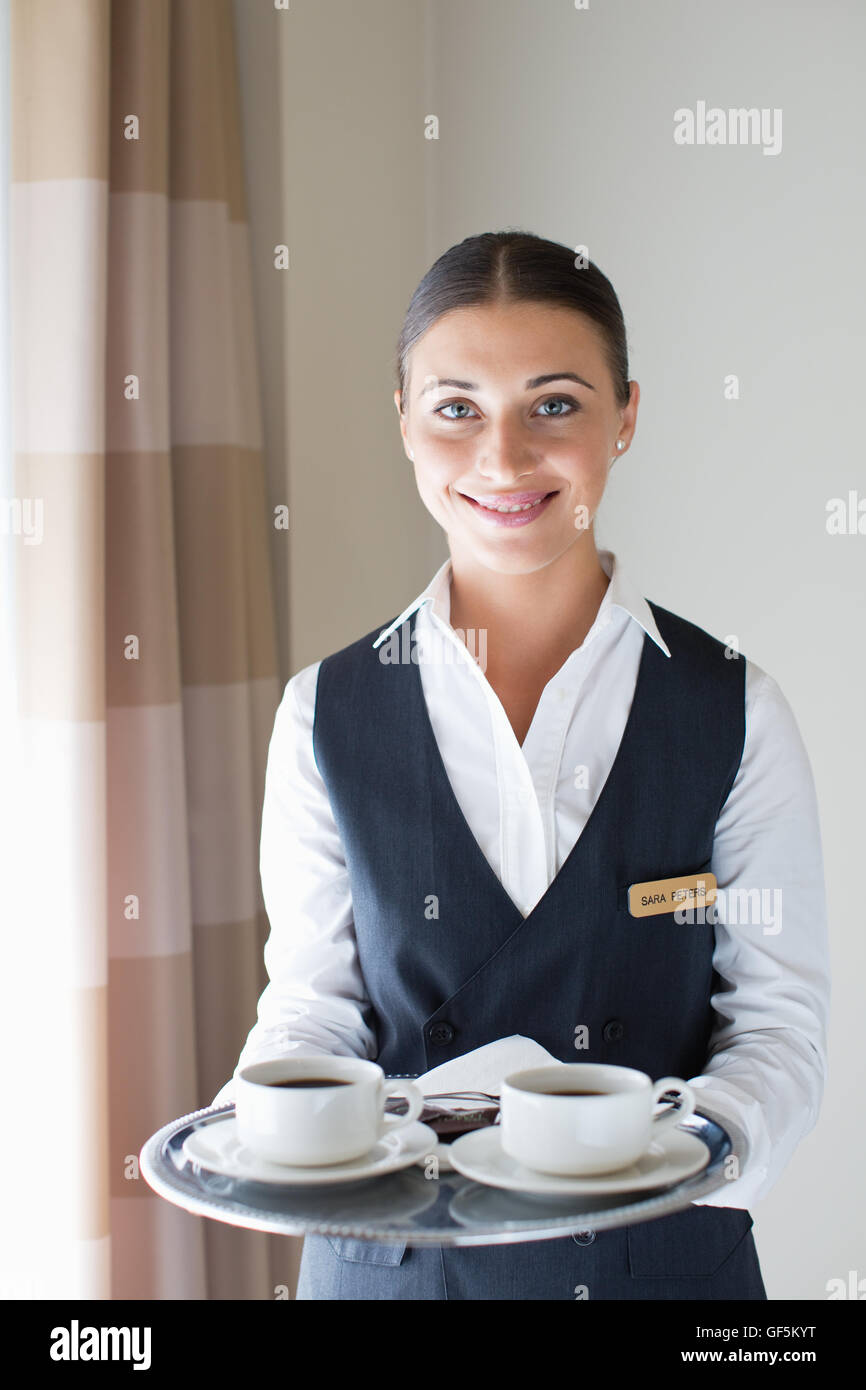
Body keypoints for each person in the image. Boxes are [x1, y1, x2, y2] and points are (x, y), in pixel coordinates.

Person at [212, 230, 830, 1300]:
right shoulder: (323, 711)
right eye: (456, 408)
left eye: (553, 404)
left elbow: (776, 1035)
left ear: (624, 417)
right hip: (391, 1272)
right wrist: (266, 1123)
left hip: (660, 1271)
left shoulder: (734, 711)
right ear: (401, 418)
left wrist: (669, 1156)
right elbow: (313, 1007)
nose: (501, 459)